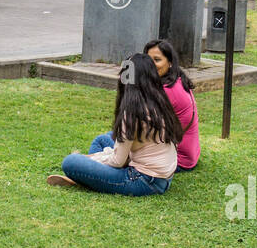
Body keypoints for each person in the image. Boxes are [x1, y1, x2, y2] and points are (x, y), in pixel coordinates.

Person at [47, 53, 183, 196]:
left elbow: (118, 161)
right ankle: (92, 177)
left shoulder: (132, 112)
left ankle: (87, 178)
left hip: (143, 180)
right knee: (102, 140)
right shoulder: (160, 101)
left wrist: (91, 158)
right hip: (163, 177)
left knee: (71, 162)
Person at [144, 39, 200, 171]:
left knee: (103, 140)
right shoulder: (177, 80)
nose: (151, 65)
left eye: (157, 60)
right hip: (189, 154)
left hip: (177, 158)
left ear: (170, 63)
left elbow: (143, 128)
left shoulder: (168, 90)